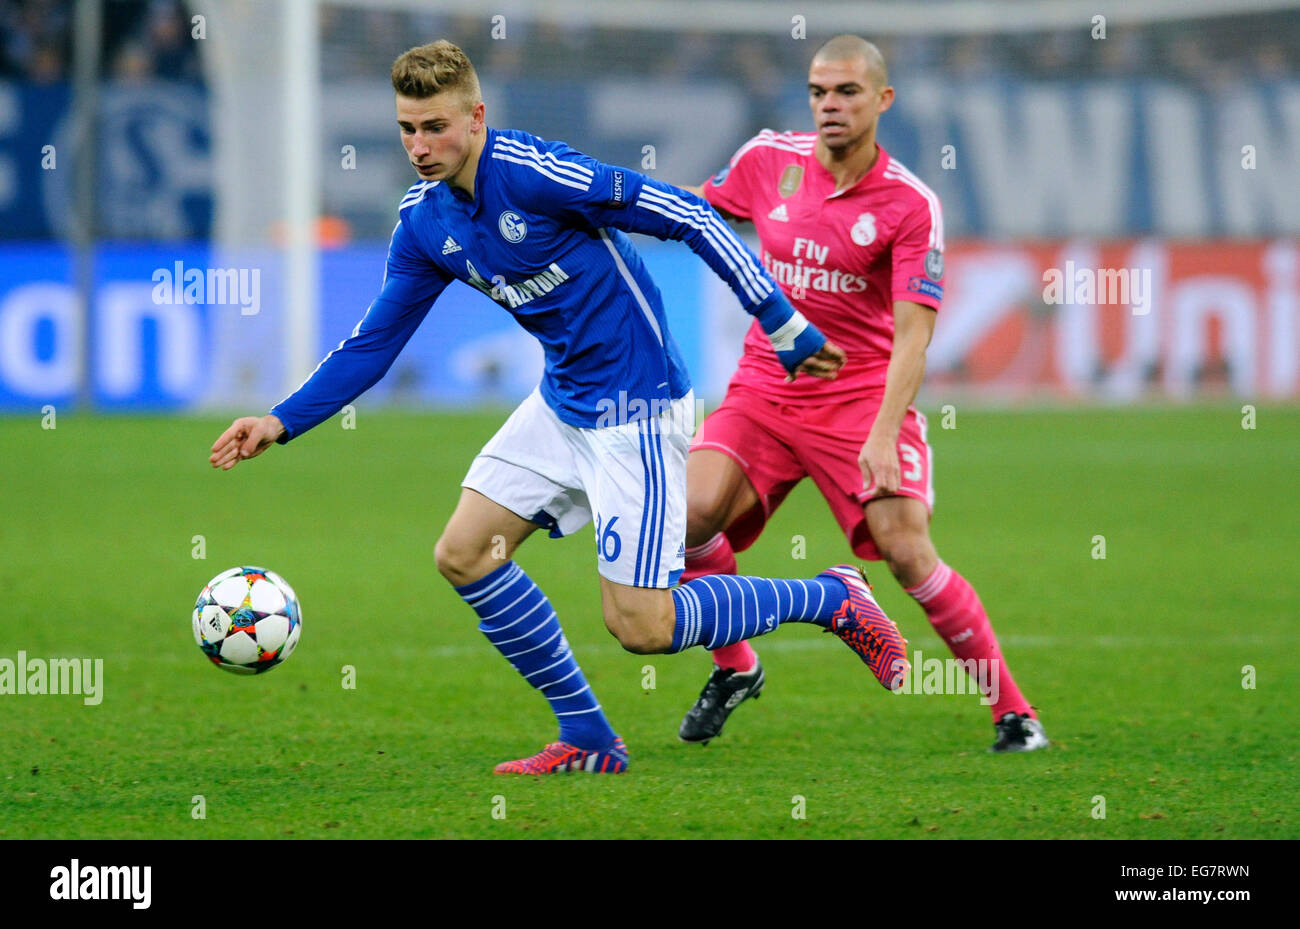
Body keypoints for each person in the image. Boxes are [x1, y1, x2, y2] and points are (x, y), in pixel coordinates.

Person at [209, 40, 910, 775]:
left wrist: (782, 320)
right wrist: (280, 420)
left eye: (436, 127)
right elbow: (373, 342)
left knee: (640, 625)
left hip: (637, 406)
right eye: (408, 130)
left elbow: (688, 217)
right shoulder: (424, 222)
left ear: (476, 117)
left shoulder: (537, 173)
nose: (420, 146)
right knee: (464, 552)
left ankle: (830, 596)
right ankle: (589, 737)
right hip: (562, 401)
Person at [675, 35, 1047, 753]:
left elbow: (913, 336)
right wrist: (600, 206)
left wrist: (881, 433)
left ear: (883, 100)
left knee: (905, 550)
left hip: (860, 398)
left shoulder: (910, 204)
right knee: (686, 516)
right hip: (765, 385)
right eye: (818, 92)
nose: (829, 106)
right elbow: (697, 211)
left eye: (846, 92)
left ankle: (1014, 712)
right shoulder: (766, 161)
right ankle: (736, 665)